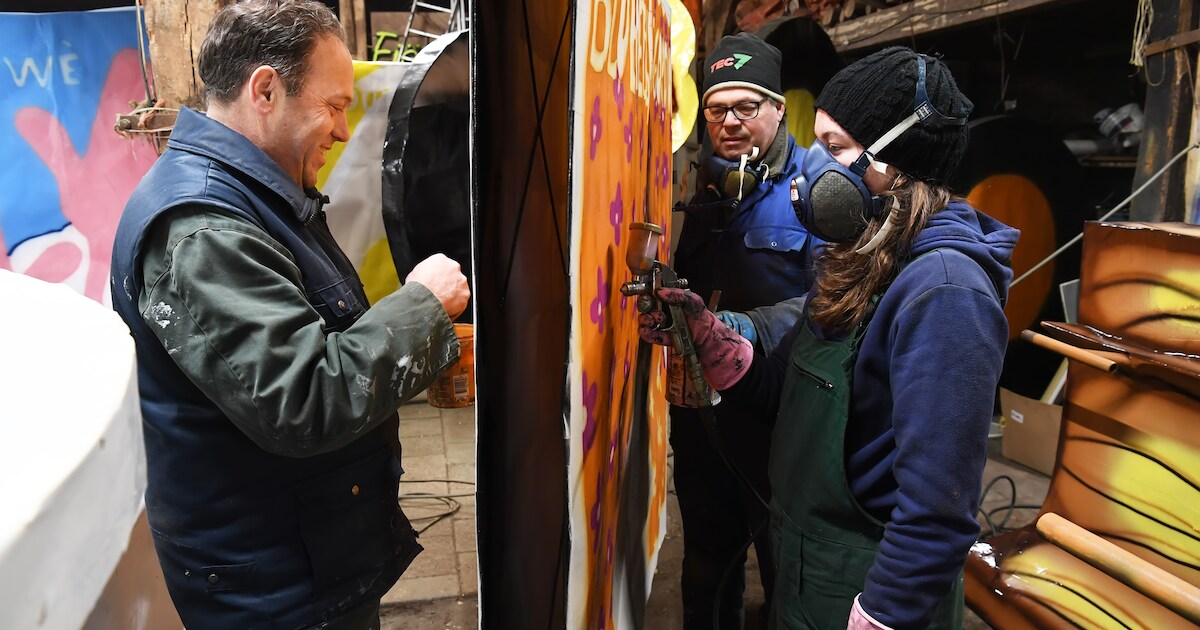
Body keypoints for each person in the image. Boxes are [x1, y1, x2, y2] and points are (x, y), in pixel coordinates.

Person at [109, 1, 470, 627]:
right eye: (333, 106)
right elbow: (302, 398)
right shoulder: (203, 231)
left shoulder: (254, 195)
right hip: (274, 591)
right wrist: (423, 308)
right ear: (266, 91)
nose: (341, 130)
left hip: (304, 560)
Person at [644, 46, 1018, 629]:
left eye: (836, 149)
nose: (817, 169)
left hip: (866, 581)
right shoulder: (863, 260)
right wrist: (714, 342)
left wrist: (883, 615)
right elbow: (785, 387)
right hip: (809, 565)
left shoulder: (946, 293)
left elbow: (938, 511)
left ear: (896, 155)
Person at [670, 32, 821, 630]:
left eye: (745, 107)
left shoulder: (820, 187)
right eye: (715, 111)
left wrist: (743, 326)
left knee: (785, 568)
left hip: (779, 418)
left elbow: (836, 302)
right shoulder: (701, 187)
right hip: (703, 415)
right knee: (706, 566)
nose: (729, 122)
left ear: (778, 109)